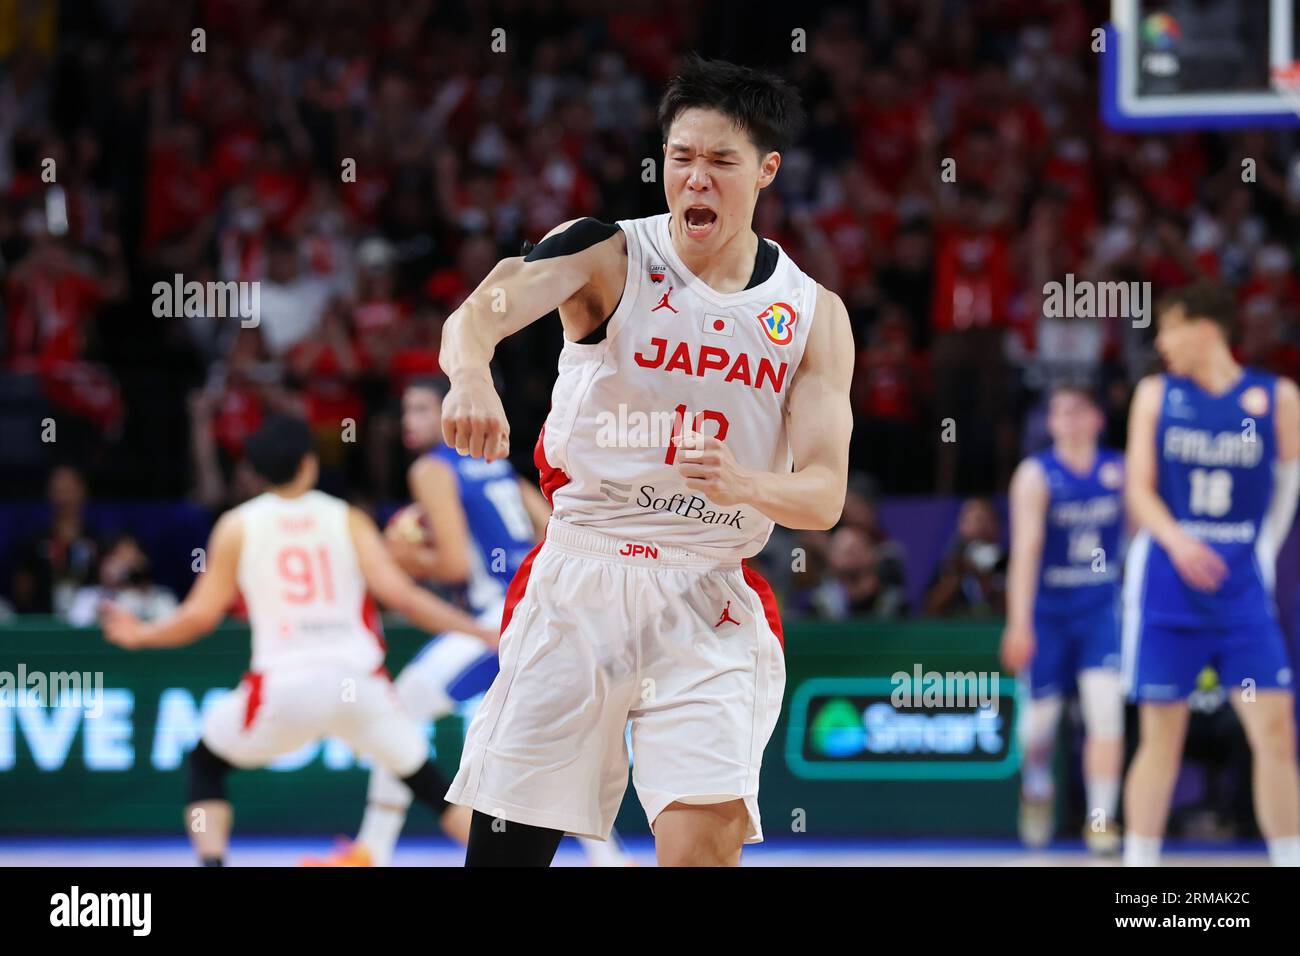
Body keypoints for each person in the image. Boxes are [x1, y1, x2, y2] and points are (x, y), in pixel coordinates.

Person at [437, 55, 854, 867]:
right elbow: (481, 310)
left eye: (721, 162)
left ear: (767, 170)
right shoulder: (605, 254)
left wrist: (746, 484)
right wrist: (468, 373)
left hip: (709, 589)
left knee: (701, 851)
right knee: (507, 854)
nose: (696, 180)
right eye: (681, 159)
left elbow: (824, 496)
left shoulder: (812, 315)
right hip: (582, 573)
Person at [100, 416, 497, 866]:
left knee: (207, 765)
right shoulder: (346, 517)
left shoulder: (237, 525)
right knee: (432, 788)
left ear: (254, 472)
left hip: (283, 687)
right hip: (360, 685)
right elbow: (403, 597)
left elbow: (199, 616)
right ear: (310, 464)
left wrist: (142, 634)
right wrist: (478, 631)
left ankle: (212, 862)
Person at [307, 378, 631, 866]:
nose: (408, 420)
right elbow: (556, 531)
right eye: (406, 410)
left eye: (421, 409)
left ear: (449, 412)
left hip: (498, 619)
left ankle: (370, 850)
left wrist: (403, 554)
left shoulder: (431, 469)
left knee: (399, 710)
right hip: (546, 612)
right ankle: (614, 858)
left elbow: (455, 567)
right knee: (549, 738)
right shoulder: (496, 465)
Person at [1122, 279, 1300, 867]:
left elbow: (1287, 487)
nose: (1161, 342)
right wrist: (1177, 541)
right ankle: (1139, 871)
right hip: (1170, 585)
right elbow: (1138, 491)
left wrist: (1259, 550)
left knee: (1274, 734)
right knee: (1160, 739)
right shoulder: (1156, 395)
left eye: (1170, 327)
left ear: (1204, 328)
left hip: (1241, 590)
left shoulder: (1278, 398)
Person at [1000, 385, 1125, 854]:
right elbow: (1026, 552)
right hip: (1048, 611)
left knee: (1106, 715)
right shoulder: (1035, 475)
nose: (1066, 420)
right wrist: (1018, 622)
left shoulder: (1119, 469)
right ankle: (1035, 788)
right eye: (1057, 413)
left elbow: (1136, 534)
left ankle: (1100, 820)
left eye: (1076, 410)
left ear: (1097, 417)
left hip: (1099, 609)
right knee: (1038, 728)